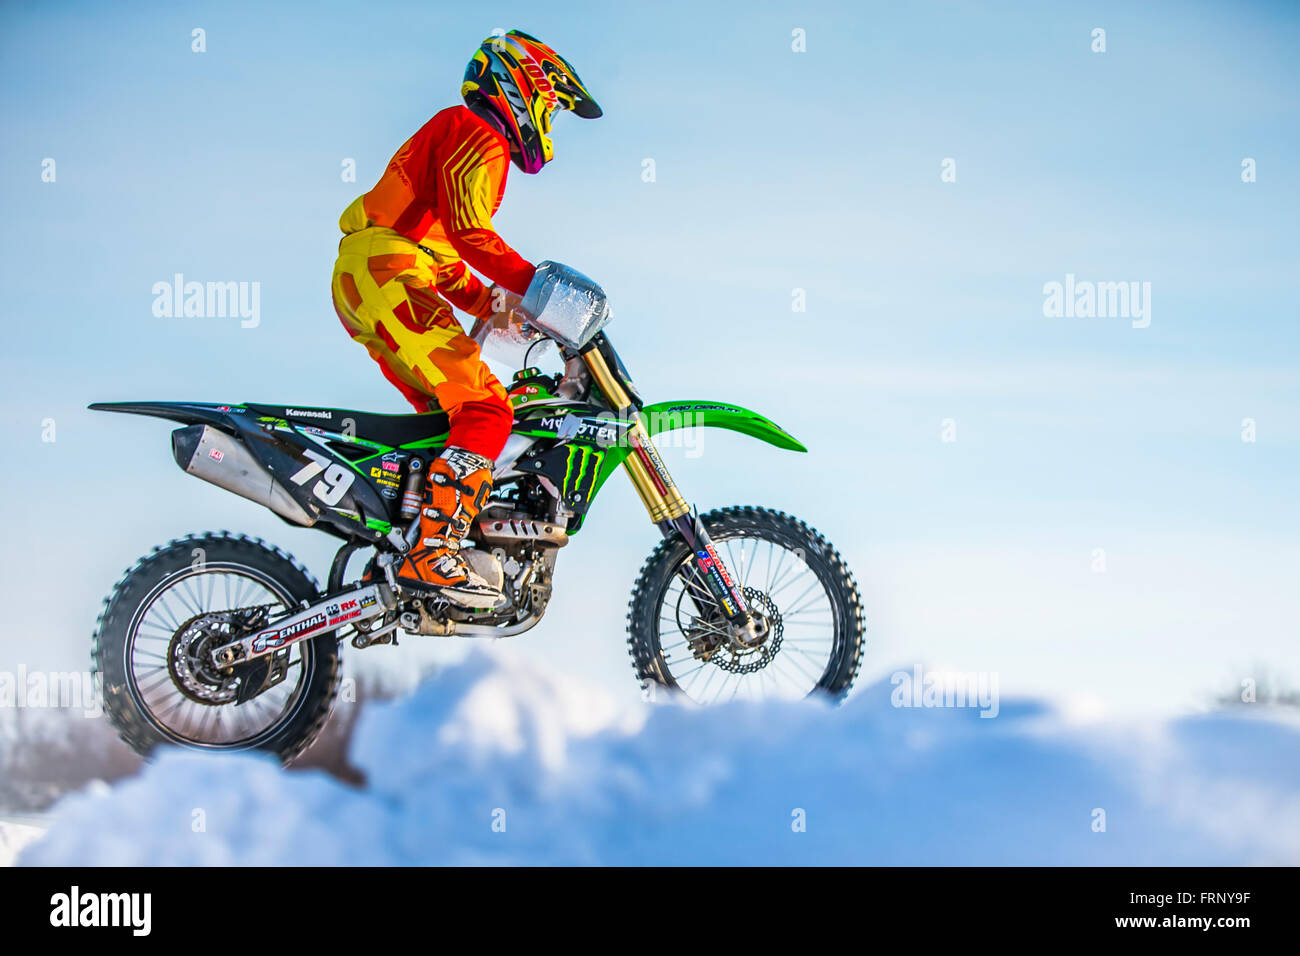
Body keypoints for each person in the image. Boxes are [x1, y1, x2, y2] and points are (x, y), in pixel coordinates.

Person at [330, 30, 601, 605]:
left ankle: (403, 540)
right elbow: (471, 236)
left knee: (445, 422)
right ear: (521, 83)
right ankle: (434, 551)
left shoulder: (460, 136)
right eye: (549, 103)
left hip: (379, 274)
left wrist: (494, 306)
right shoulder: (476, 133)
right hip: (390, 273)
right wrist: (541, 291)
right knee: (486, 409)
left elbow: (447, 254)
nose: (547, 118)